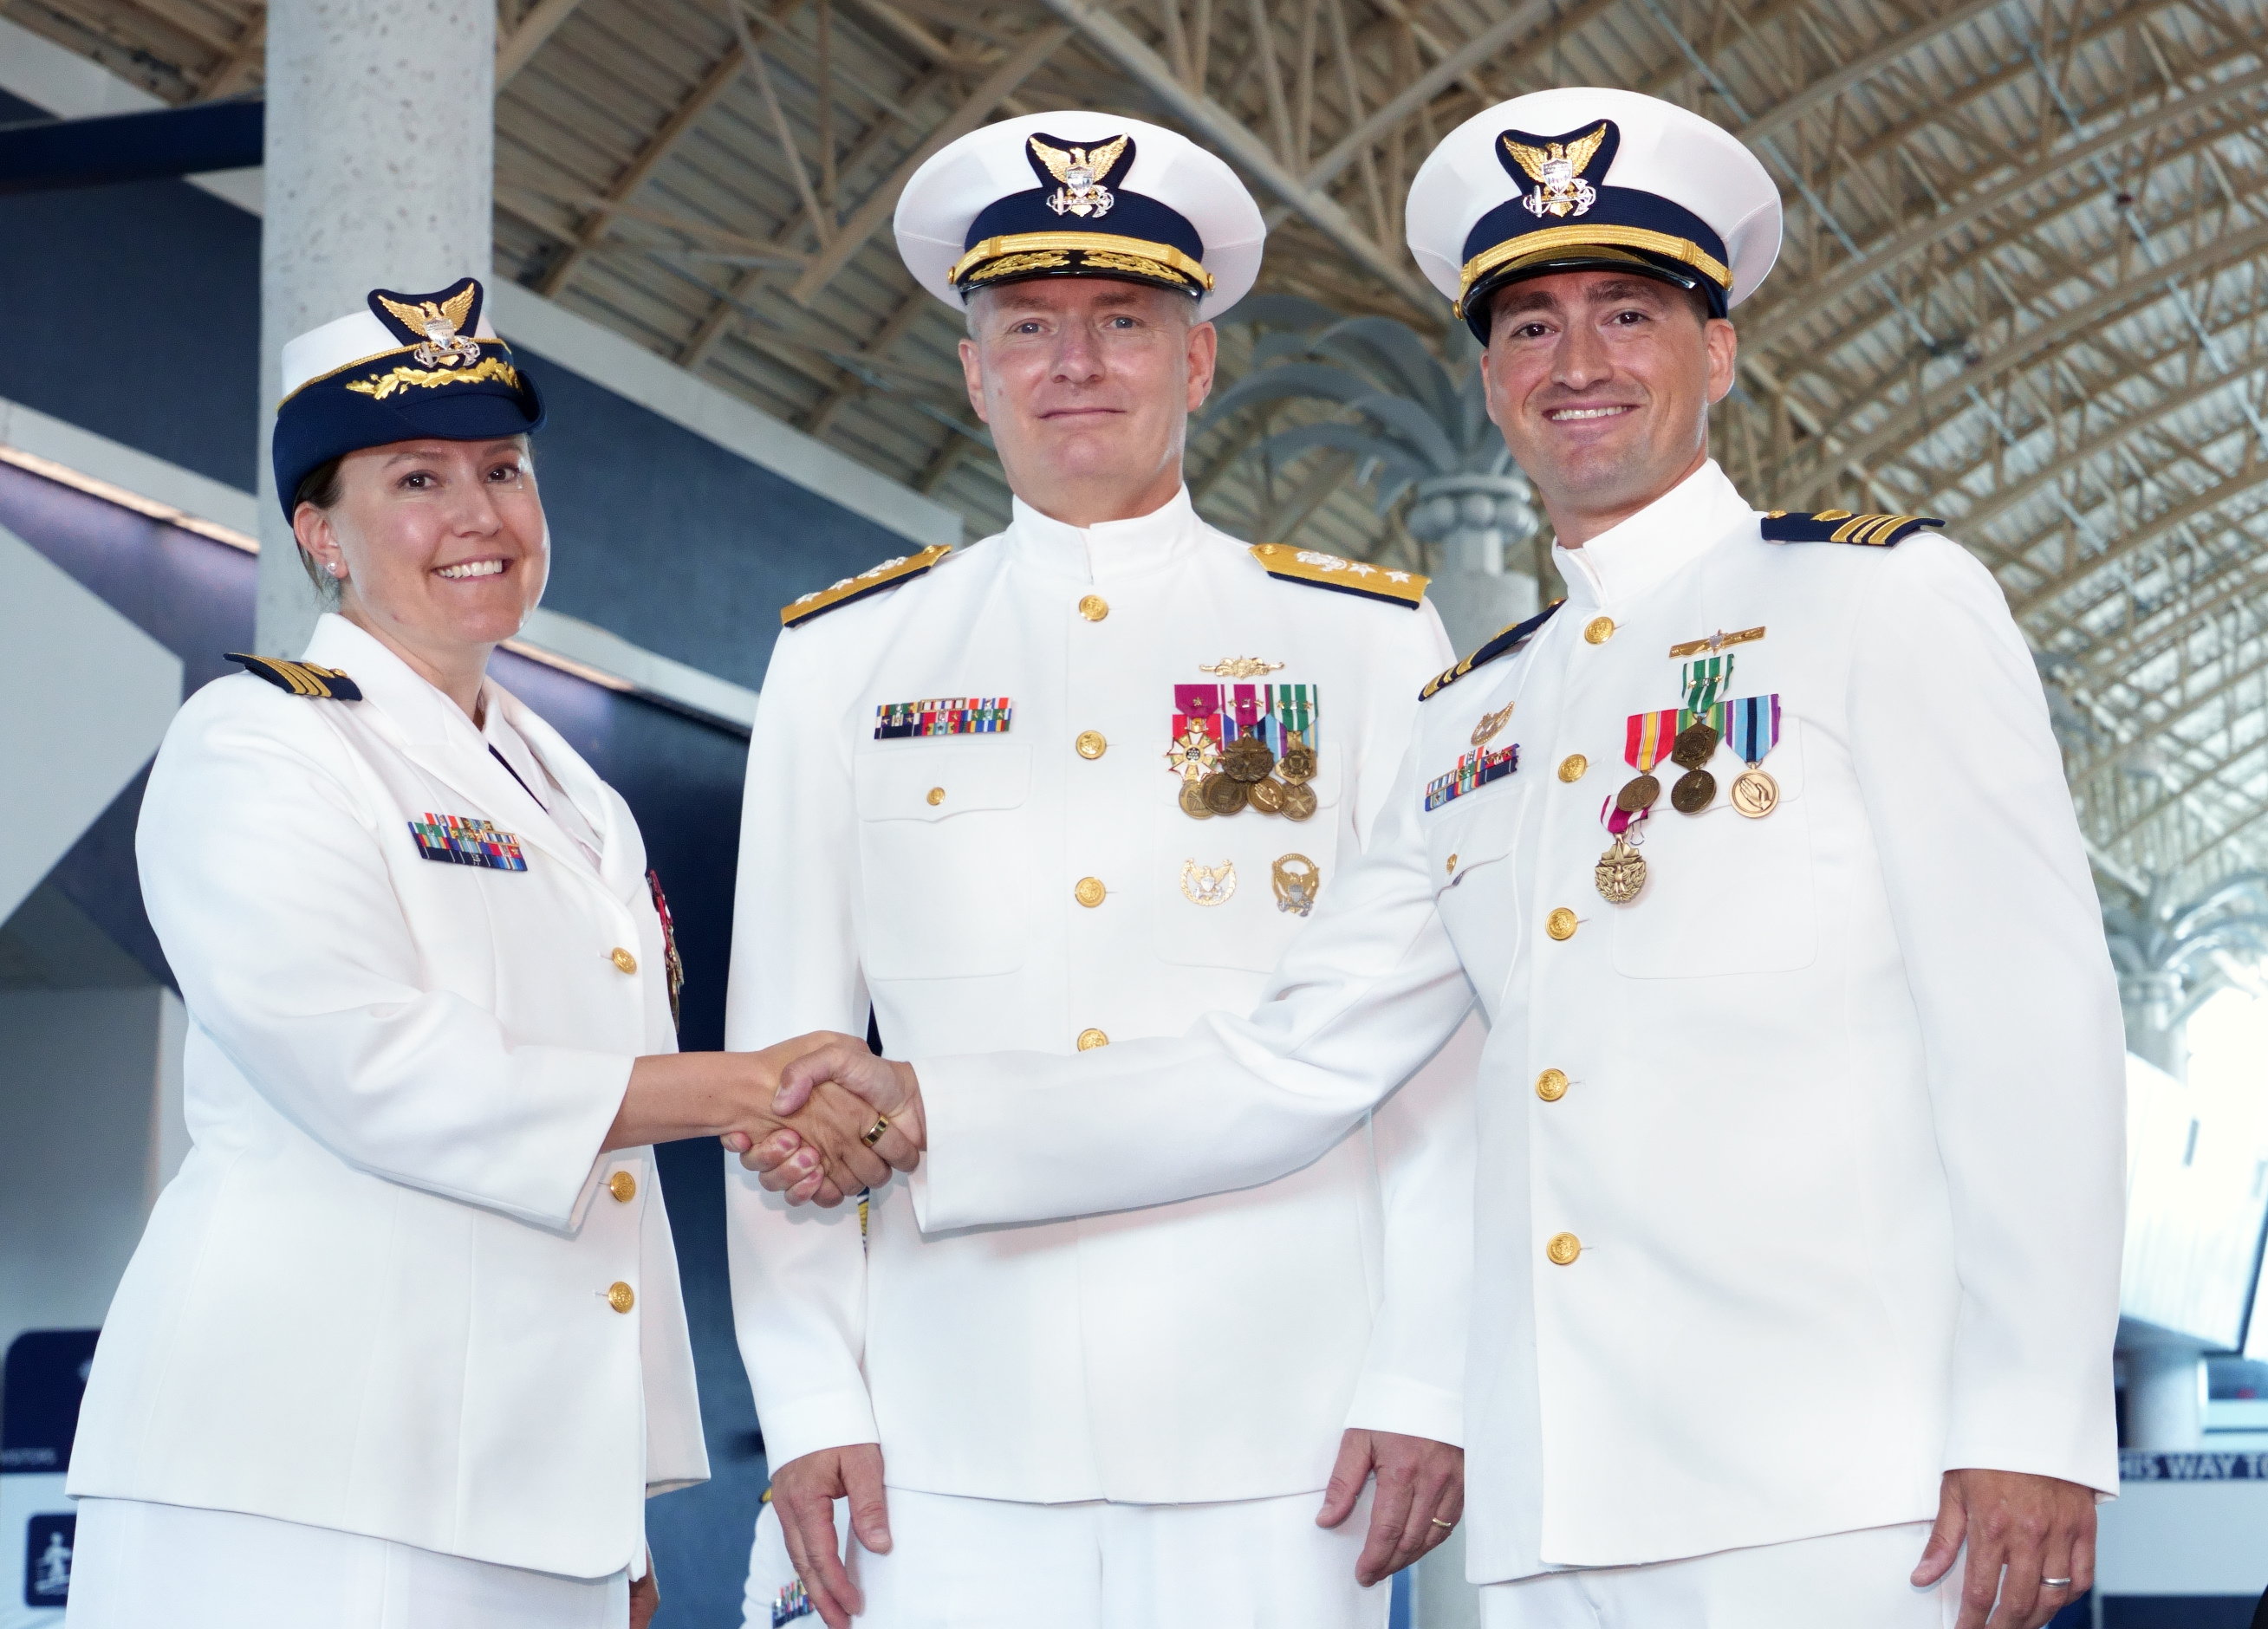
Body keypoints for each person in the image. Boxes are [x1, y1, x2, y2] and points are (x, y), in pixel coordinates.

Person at [752, 88, 2127, 1629]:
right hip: (1559, 1506)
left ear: (1718, 350)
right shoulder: (1482, 710)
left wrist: (2031, 1418)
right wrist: (931, 1108)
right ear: (1488, 377)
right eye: (1529, 328)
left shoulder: (1878, 607)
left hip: (1841, 1484)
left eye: (1626, 313)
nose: (1578, 364)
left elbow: (2027, 1025)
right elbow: (1298, 1057)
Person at [723, 111, 1481, 1629]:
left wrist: (1425, 1368)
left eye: (1122, 323)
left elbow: (1436, 1049)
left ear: (1196, 364)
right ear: (973, 371)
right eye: (1026, 328)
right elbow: (785, 1066)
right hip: (942, 1423)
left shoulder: (1365, 644)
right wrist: (810, 1397)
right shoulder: (845, 659)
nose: (1074, 365)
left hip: (1279, 1421)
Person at [62, 277, 907, 1629]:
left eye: (503, 471)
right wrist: (745, 1088)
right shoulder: (261, 743)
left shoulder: (575, 794)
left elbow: (603, 1181)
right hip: (298, 1475)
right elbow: (373, 1067)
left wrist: (611, 1519)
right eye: (415, 478)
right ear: (318, 536)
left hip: (523, 1501)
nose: (478, 516)